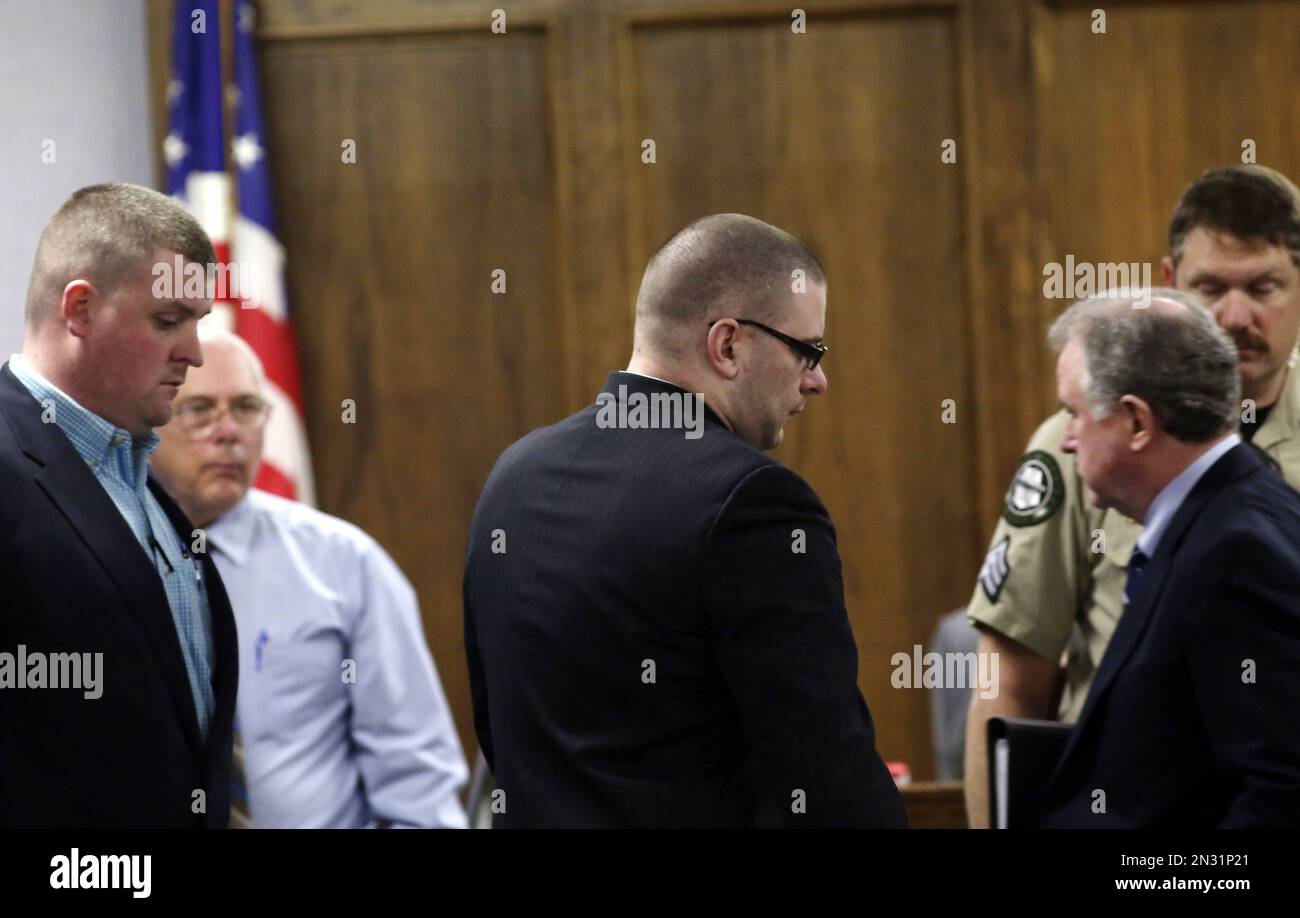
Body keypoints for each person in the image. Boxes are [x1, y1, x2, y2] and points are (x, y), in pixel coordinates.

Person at [463, 213, 906, 828]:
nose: (818, 381)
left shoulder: (514, 477)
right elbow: (825, 768)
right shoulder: (754, 504)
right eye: (808, 351)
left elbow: (497, 729)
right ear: (727, 344)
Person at [964, 165, 1300, 826]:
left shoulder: (1239, 522)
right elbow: (1010, 677)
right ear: (1170, 285)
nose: (1236, 317)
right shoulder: (1079, 437)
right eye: (1211, 287)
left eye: (1264, 287)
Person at [149, 330, 470, 828]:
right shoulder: (108, 562)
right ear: (150, 422)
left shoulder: (344, 564)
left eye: (248, 407)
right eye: (200, 409)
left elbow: (417, 783)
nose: (229, 430)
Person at [0, 183, 237, 827]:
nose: (192, 353)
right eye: (167, 320)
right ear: (79, 308)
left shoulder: (144, 479)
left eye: (197, 324)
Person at [1039, 289, 1300, 827]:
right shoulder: (1224, 516)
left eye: (1074, 414)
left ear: (1137, 422)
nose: (1066, 440)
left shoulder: (1236, 552)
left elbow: (1280, 794)